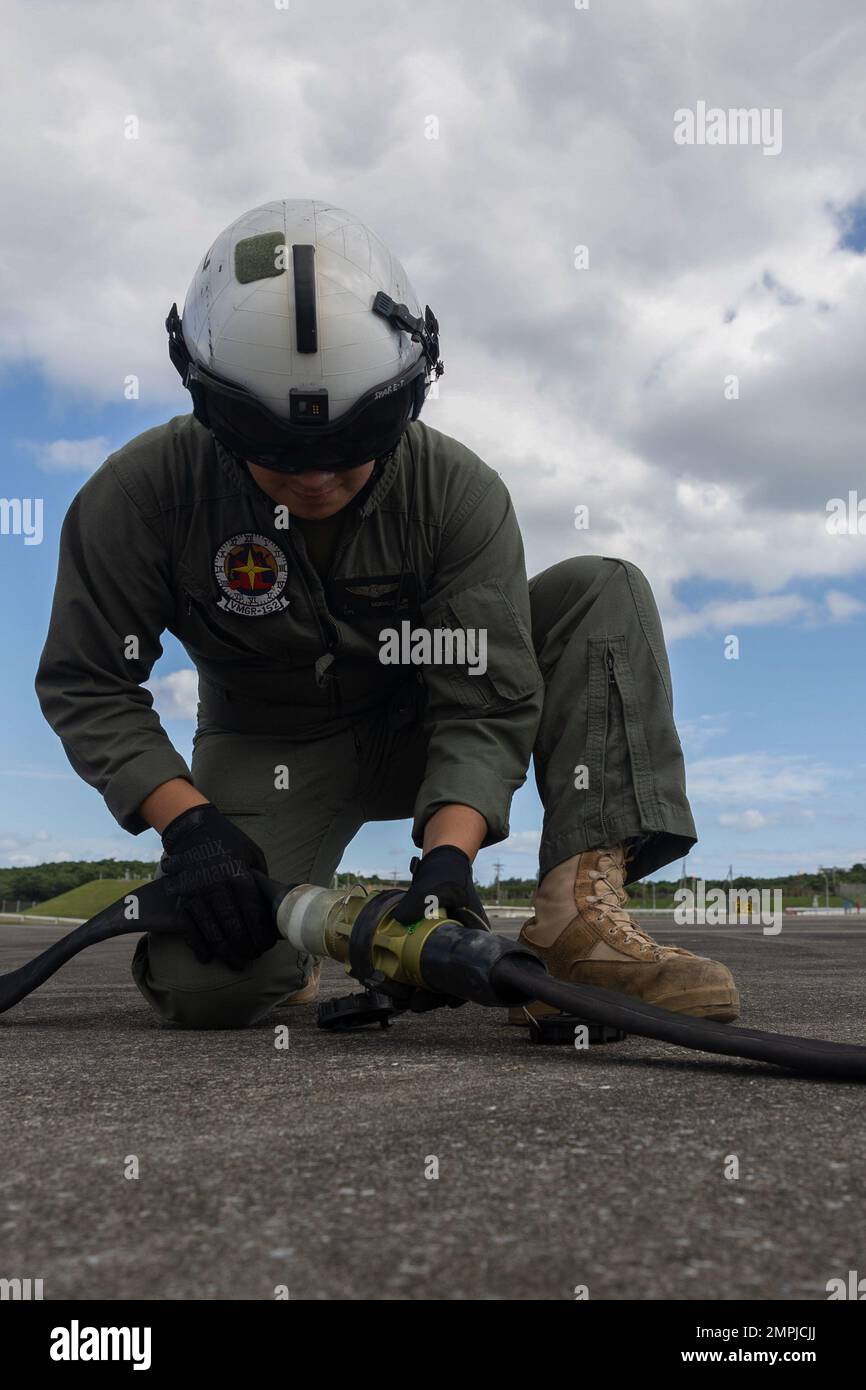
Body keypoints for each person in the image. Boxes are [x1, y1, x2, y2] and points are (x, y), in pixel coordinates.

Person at [35, 199, 739, 1029]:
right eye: (276, 448)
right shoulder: (138, 497)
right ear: (210, 407)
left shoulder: (459, 494)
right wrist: (188, 825)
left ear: (408, 395)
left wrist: (448, 862)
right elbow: (90, 681)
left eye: (353, 440)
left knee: (601, 589)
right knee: (207, 988)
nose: (316, 478)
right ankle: (300, 940)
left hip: (427, 721)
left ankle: (574, 928)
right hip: (270, 745)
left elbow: (483, 700)